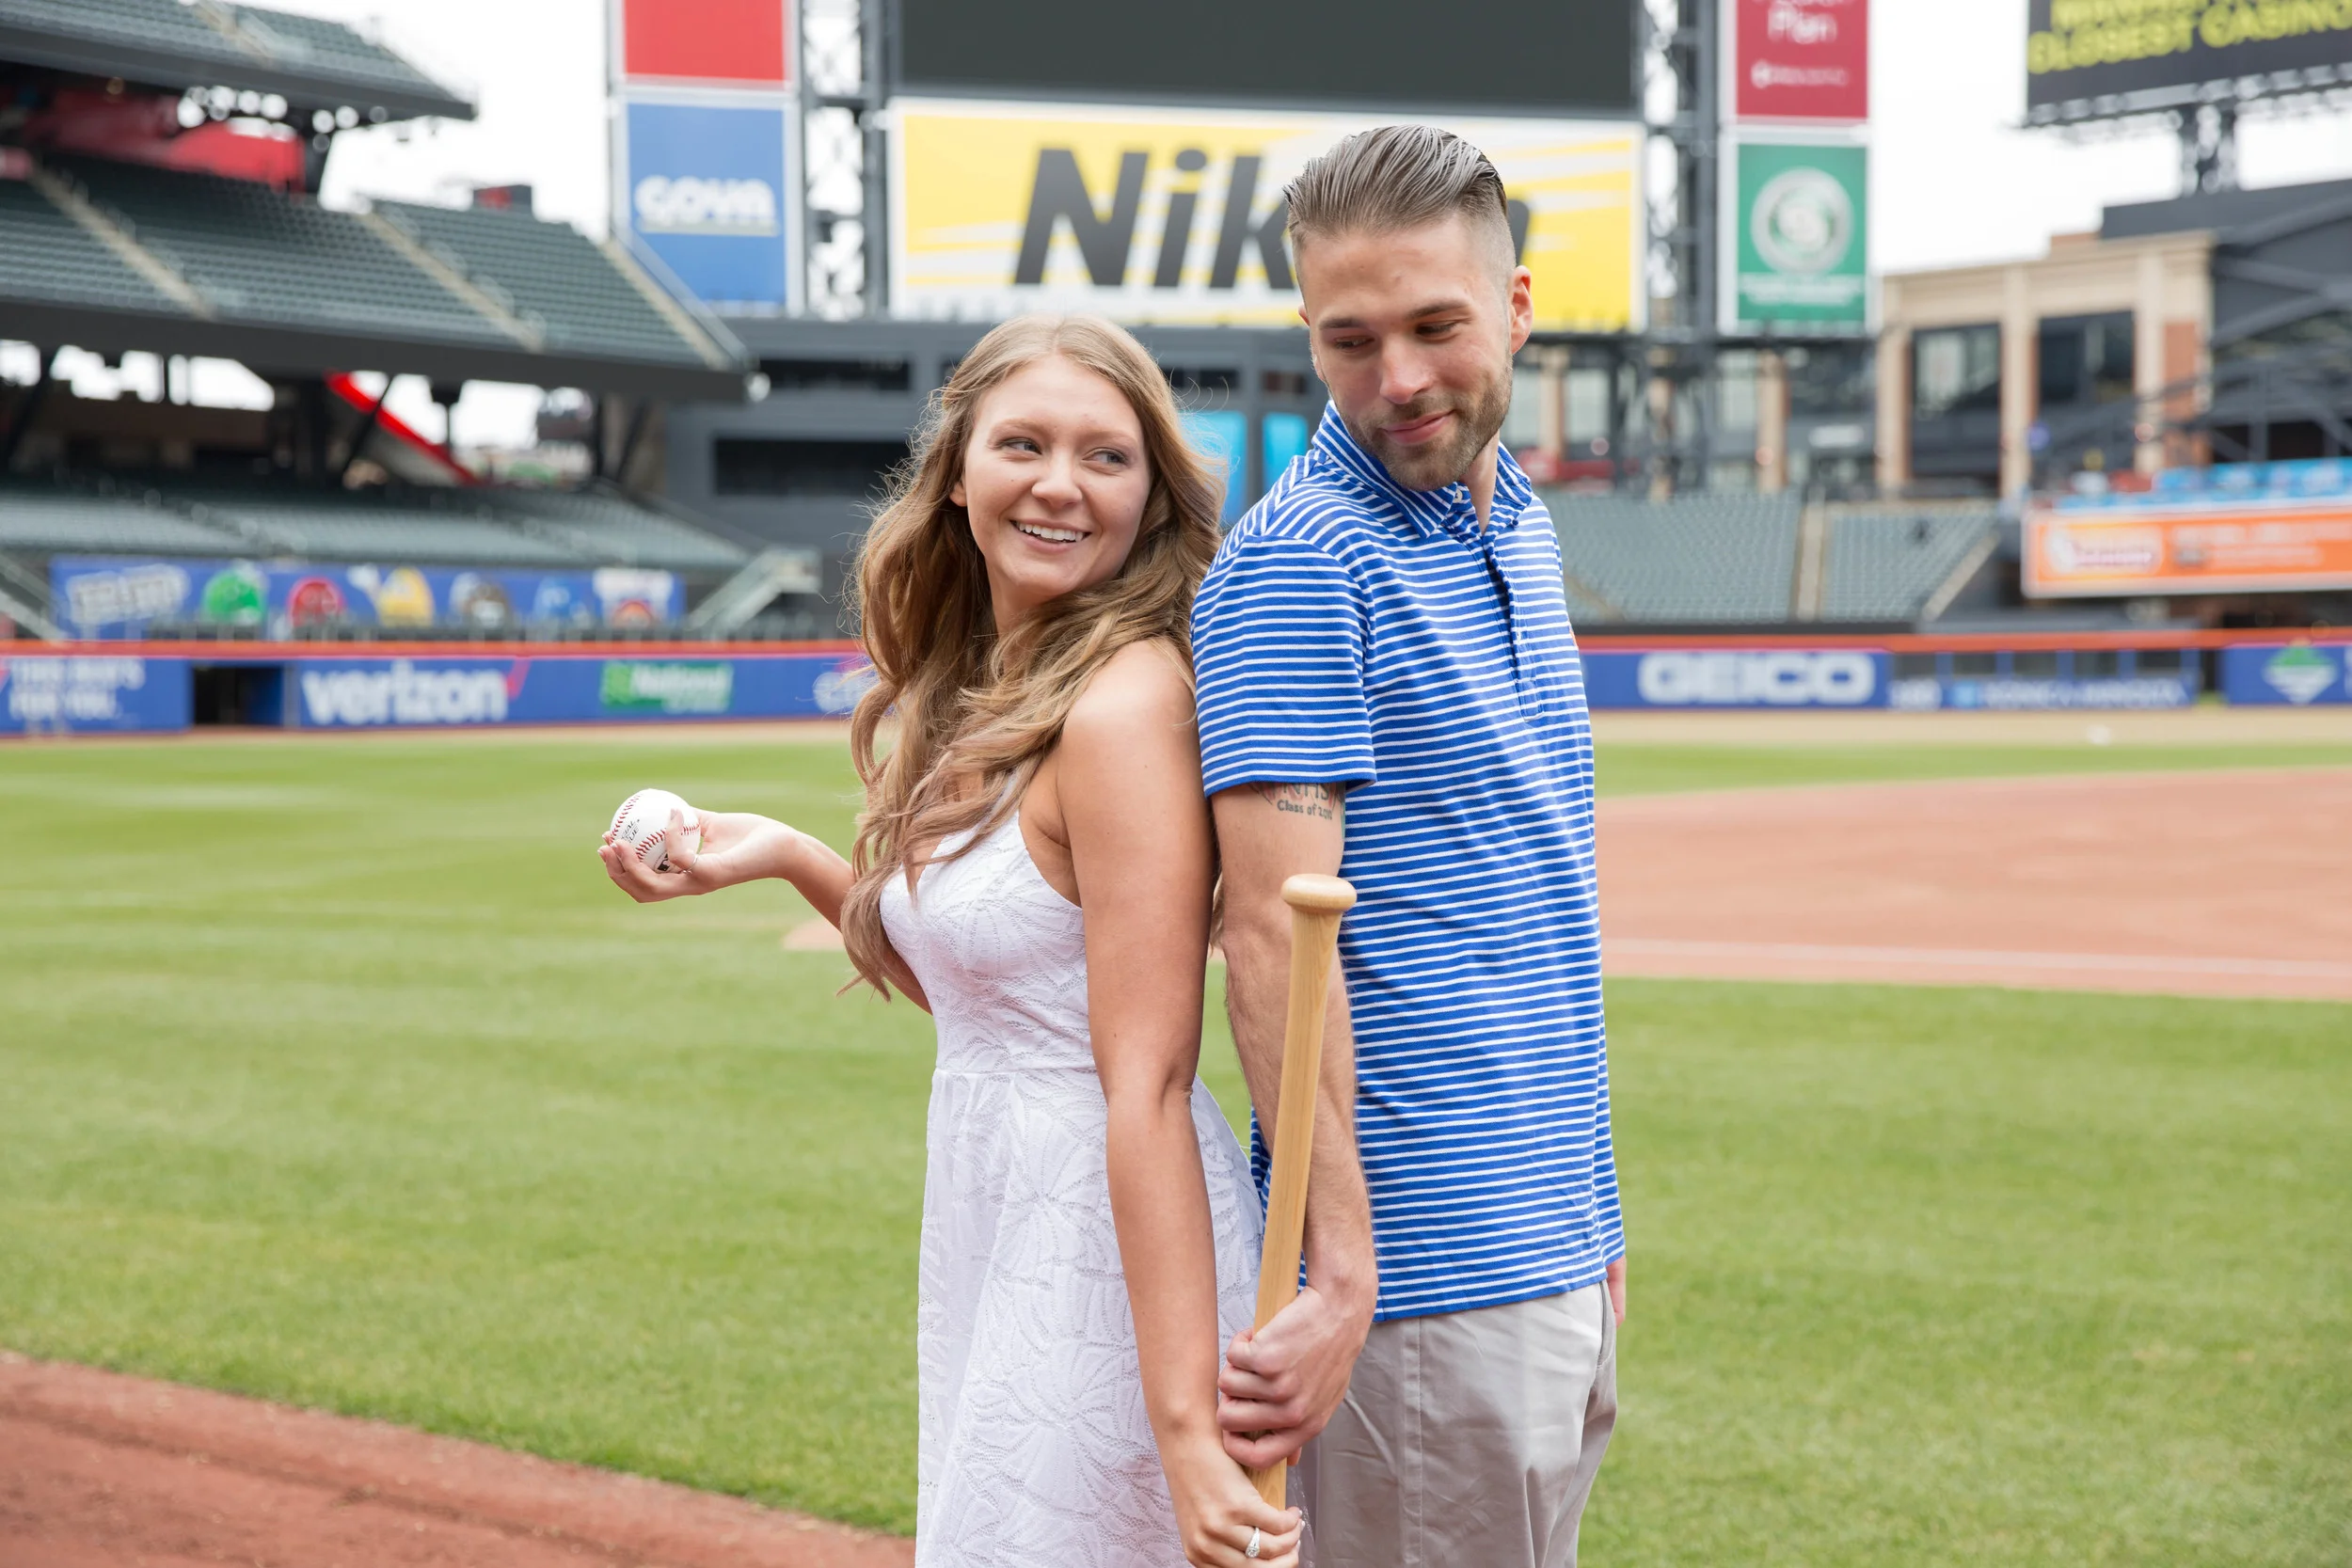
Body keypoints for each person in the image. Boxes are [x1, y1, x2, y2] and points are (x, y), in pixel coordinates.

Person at [598, 314, 1304, 1568]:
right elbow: (1000, 1003)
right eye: (1022, 443)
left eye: (1106, 456)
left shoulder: (1127, 702)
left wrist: (1186, 1422)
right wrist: (784, 851)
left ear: (1152, 494)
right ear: (958, 469)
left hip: (1101, 1233)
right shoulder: (982, 684)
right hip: (1002, 1206)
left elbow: (1139, 1074)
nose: (1058, 483)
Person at [1193, 126, 1626, 1567]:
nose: (1400, 380)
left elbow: (1539, 903)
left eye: (1437, 324)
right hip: (1421, 1291)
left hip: (1548, 1244)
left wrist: (1594, 1211)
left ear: (1515, 305)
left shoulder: (1525, 526)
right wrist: (1345, 1273)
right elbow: (1268, 936)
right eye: (1349, 339)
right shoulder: (1302, 564)